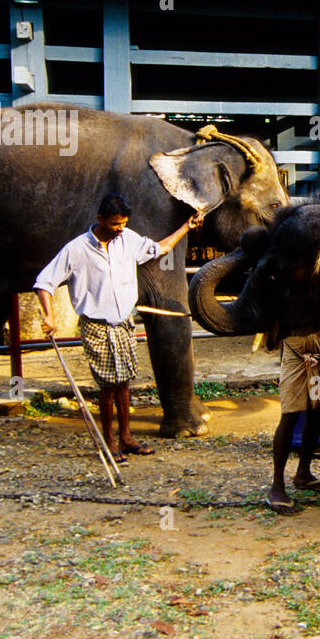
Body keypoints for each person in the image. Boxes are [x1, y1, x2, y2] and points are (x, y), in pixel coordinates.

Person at [34, 193, 203, 460]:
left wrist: (186, 227)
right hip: (96, 326)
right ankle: (109, 440)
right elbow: (44, 282)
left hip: (124, 323)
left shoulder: (128, 239)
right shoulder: (76, 249)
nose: (119, 229)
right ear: (100, 219)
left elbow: (160, 248)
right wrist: (49, 316)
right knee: (108, 385)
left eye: (123, 223)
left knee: (124, 382)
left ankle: (126, 437)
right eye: (114, 224)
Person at [268, 327, 320, 511]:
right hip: (296, 346)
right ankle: (277, 486)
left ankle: (304, 473)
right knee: (290, 414)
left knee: (316, 407)